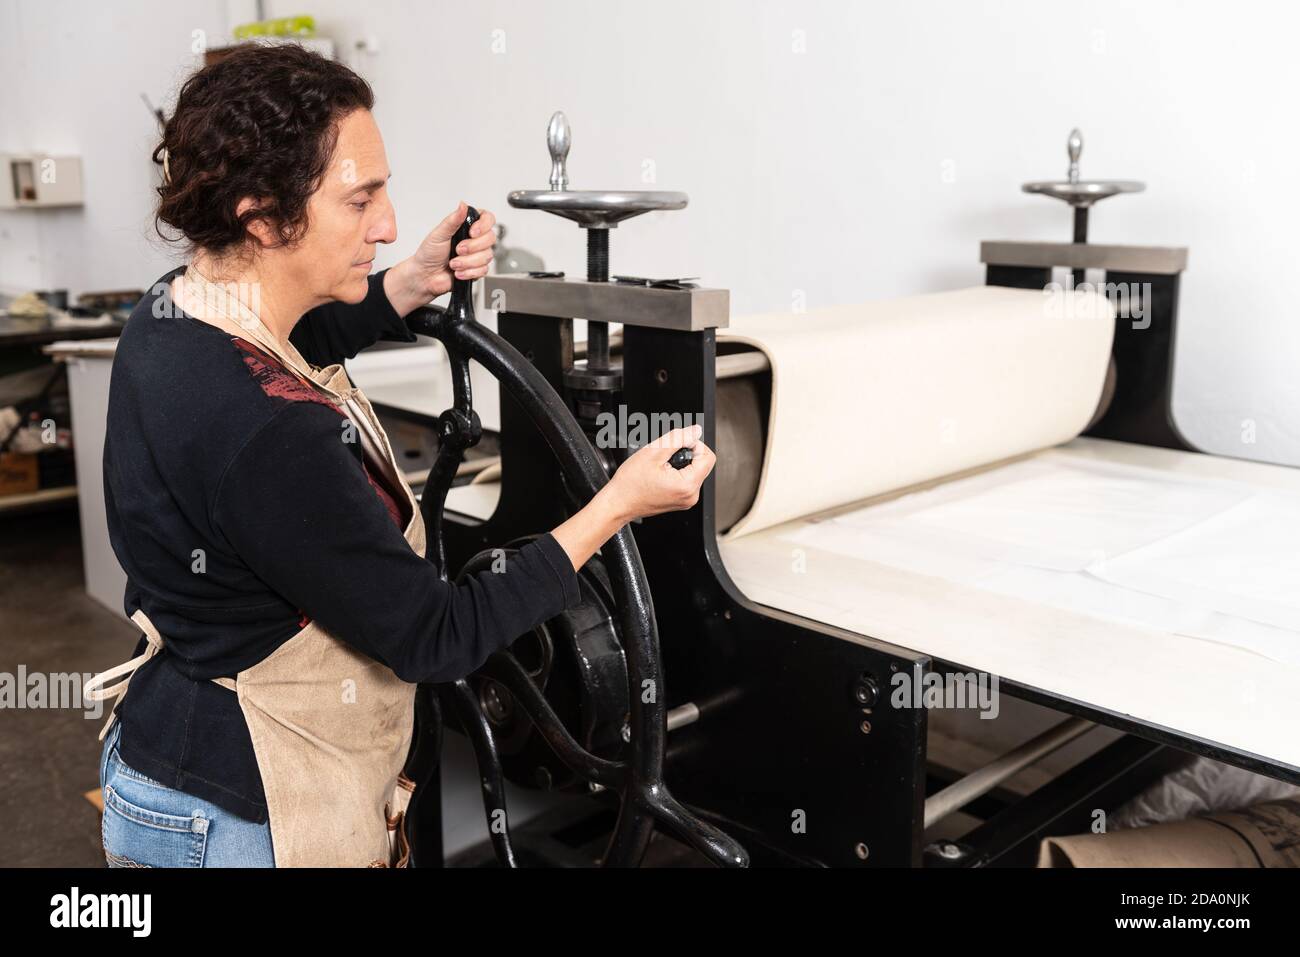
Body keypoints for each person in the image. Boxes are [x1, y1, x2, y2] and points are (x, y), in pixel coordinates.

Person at [86, 43, 714, 868]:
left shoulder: (174, 312)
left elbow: (290, 336)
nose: (385, 224)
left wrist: (410, 281)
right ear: (264, 216)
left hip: (162, 763)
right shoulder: (275, 434)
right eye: (360, 200)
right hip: (242, 818)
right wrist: (614, 506)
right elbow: (436, 638)